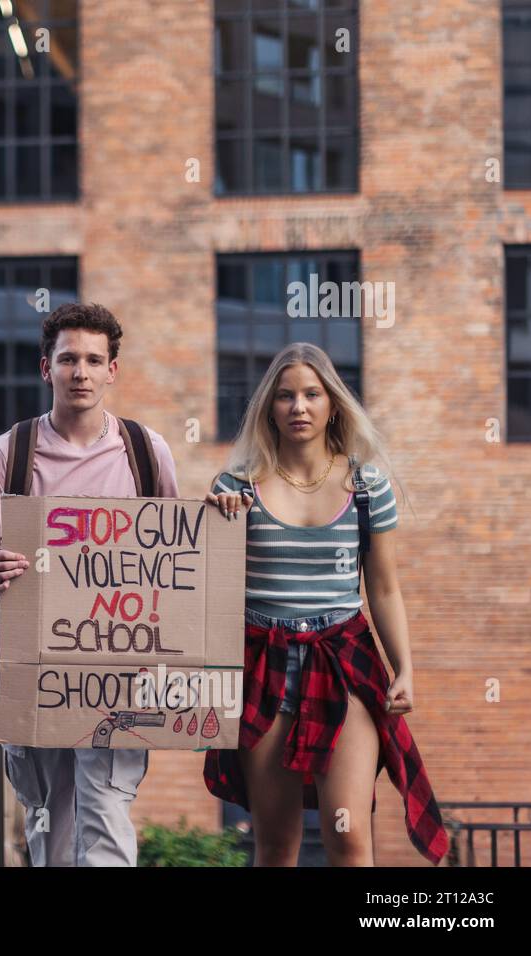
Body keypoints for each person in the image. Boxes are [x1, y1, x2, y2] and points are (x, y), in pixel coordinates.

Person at [202, 342, 447, 866]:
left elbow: (382, 587)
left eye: (312, 394)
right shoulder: (236, 486)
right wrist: (217, 523)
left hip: (342, 659)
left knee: (349, 834)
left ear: (333, 403)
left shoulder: (366, 486)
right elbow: (208, 588)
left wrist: (405, 668)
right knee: (275, 843)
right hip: (261, 661)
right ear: (269, 406)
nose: (299, 407)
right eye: (286, 396)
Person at [0, 302, 180, 866]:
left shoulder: (147, 454)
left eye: (93, 360)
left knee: (105, 809)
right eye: (68, 359)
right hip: (35, 662)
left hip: (118, 666)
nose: (80, 371)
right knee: (49, 816)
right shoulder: (10, 453)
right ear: (46, 368)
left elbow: (179, 558)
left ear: (113, 371)